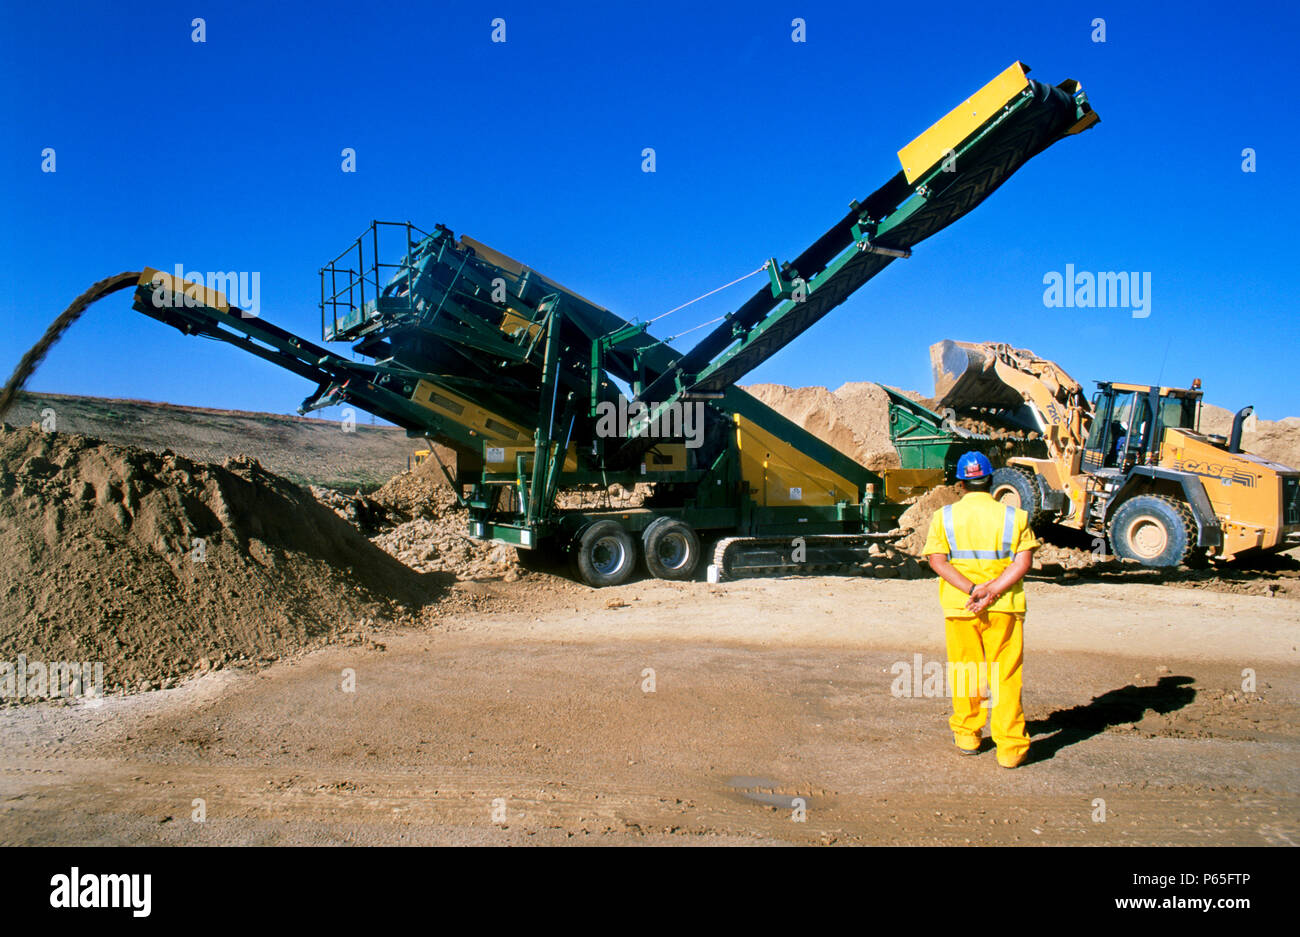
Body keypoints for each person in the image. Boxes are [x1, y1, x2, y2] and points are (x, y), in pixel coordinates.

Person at [922, 452, 1040, 768]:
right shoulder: (1015, 517)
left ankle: (968, 736)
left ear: (960, 483)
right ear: (991, 479)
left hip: (962, 607)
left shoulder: (944, 517)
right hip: (1005, 606)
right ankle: (1011, 749)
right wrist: (993, 590)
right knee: (1006, 674)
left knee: (966, 671)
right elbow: (1023, 562)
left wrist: (974, 591)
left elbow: (937, 562)